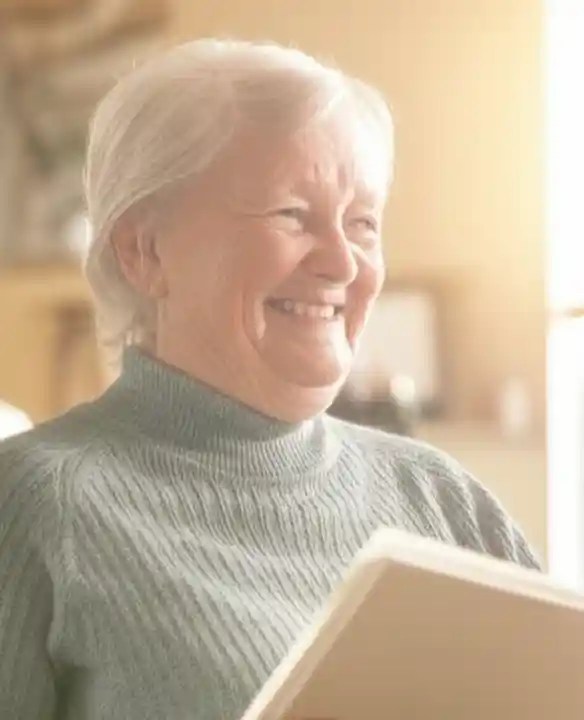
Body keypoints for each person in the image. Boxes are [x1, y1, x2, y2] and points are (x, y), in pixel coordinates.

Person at [0, 39, 538, 720]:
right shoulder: (34, 505)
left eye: (363, 223)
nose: (343, 262)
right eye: (292, 215)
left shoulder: (444, 501)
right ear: (146, 250)